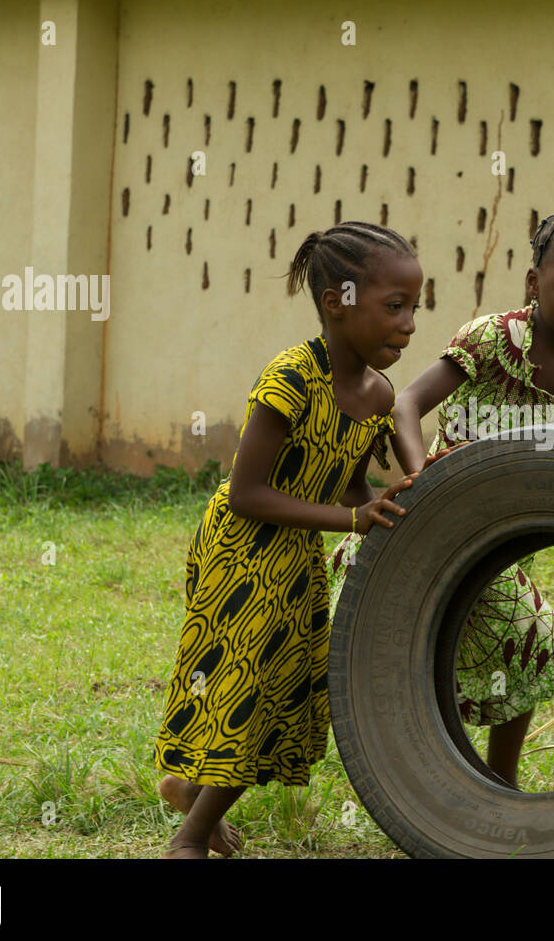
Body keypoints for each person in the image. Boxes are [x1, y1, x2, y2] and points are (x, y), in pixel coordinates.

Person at [327, 207, 554, 790]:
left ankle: (495, 788)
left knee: (515, 658)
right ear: (535, 285)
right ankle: (204, 789)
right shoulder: (492, 339)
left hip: (505, 542)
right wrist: (424, 478)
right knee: (334, 673)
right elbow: (406, 404)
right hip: (429, 525)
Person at [154, 221, 423, 858]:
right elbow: (249, 492)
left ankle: (188, 791)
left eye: (415, 307)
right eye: (394, 307)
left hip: (297, 556)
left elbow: (352, 482)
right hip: (242, 549)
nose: (409, 323)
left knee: (276, 691)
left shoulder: (380, 396)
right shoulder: (291, 379)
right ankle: (189, 840)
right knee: (242, 691)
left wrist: (389, 514)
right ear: (338, 303)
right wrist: (354, 521)